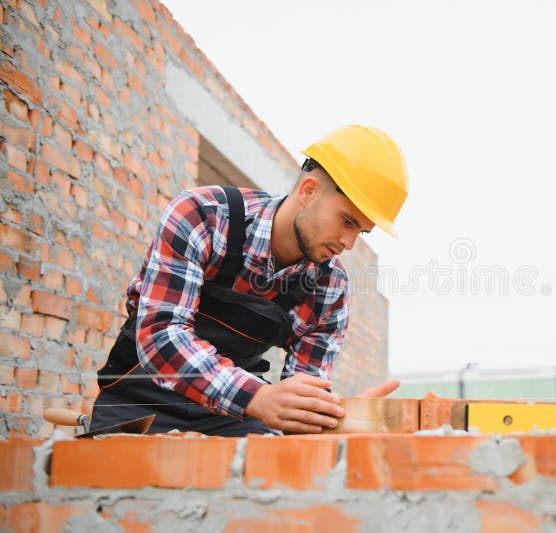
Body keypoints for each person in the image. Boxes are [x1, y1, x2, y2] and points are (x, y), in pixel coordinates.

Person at [90, 125, 408, 436]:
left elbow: (304, 402)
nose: (349, 243)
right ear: (309, 191)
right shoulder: (204, 214)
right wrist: (257, 396)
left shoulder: (329, 290)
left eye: (361, 231)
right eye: (347, 221)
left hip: (231, 417)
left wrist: (339, 419)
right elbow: (161, 335)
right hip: (139, 401)